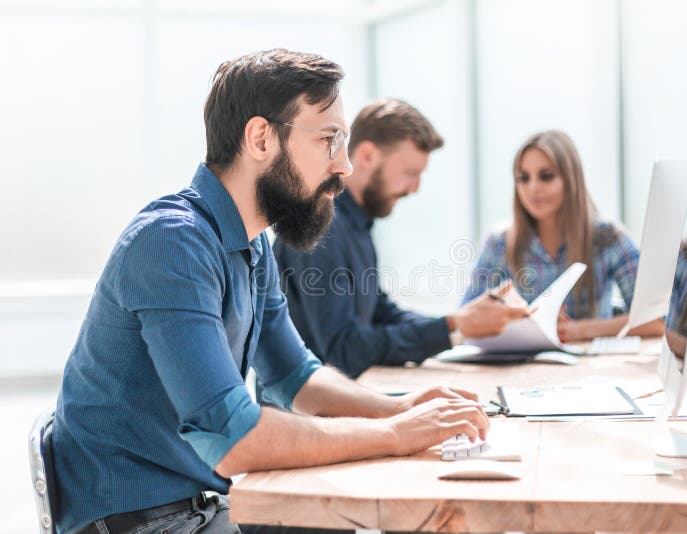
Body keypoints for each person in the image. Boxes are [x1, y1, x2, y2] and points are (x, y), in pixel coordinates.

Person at [50, 49, 489, 534]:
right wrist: (392, 433)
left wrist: (400, 408)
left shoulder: (251, 245)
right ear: (261, 138)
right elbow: (233, 436)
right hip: (146, 523)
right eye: (328, 139)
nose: (343, 165)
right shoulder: (172, 242)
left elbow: (295, 377)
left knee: (347, 518)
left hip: (203, 506)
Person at [271, 98, 529, 379]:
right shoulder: (322, 227)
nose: (415, 188)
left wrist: (463, 323)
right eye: (410, 173)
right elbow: (344, 350)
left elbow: (379, 312)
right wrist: (454, 326)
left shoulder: (355, 225)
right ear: (368, 156)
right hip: (305, 415)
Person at [462, 129, 664, 341]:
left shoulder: (609, 239)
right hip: (521, 367)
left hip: (592, 364)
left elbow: (656, 321)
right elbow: (465, 319)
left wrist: (577, 330)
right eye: (523, 178)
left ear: (571, 180)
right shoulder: (499, 242)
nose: (533, 188)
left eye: (546, 177)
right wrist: (520, 320)